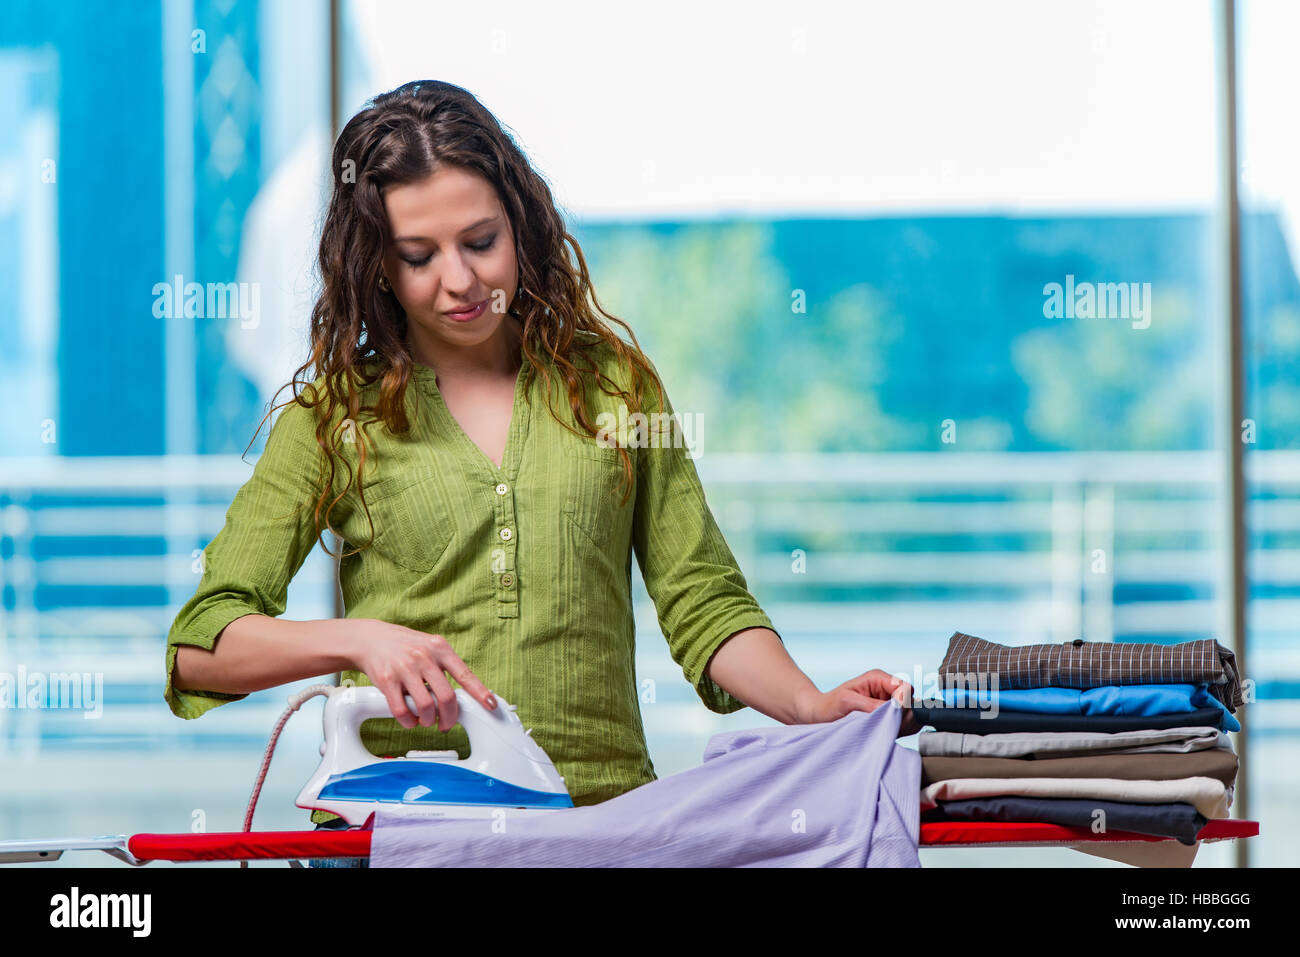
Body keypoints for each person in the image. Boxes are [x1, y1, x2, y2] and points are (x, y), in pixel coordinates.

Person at [164, 79, 917, 868]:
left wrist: (809, 702)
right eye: (419, 257)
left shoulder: (615, 386)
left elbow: (701, 598)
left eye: (480, 241)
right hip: (398, 838)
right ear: (378, 265)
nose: (458, 281)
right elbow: (198, 647)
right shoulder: (334, 418)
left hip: (611, 825)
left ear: (521, 226)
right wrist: (359, 639)